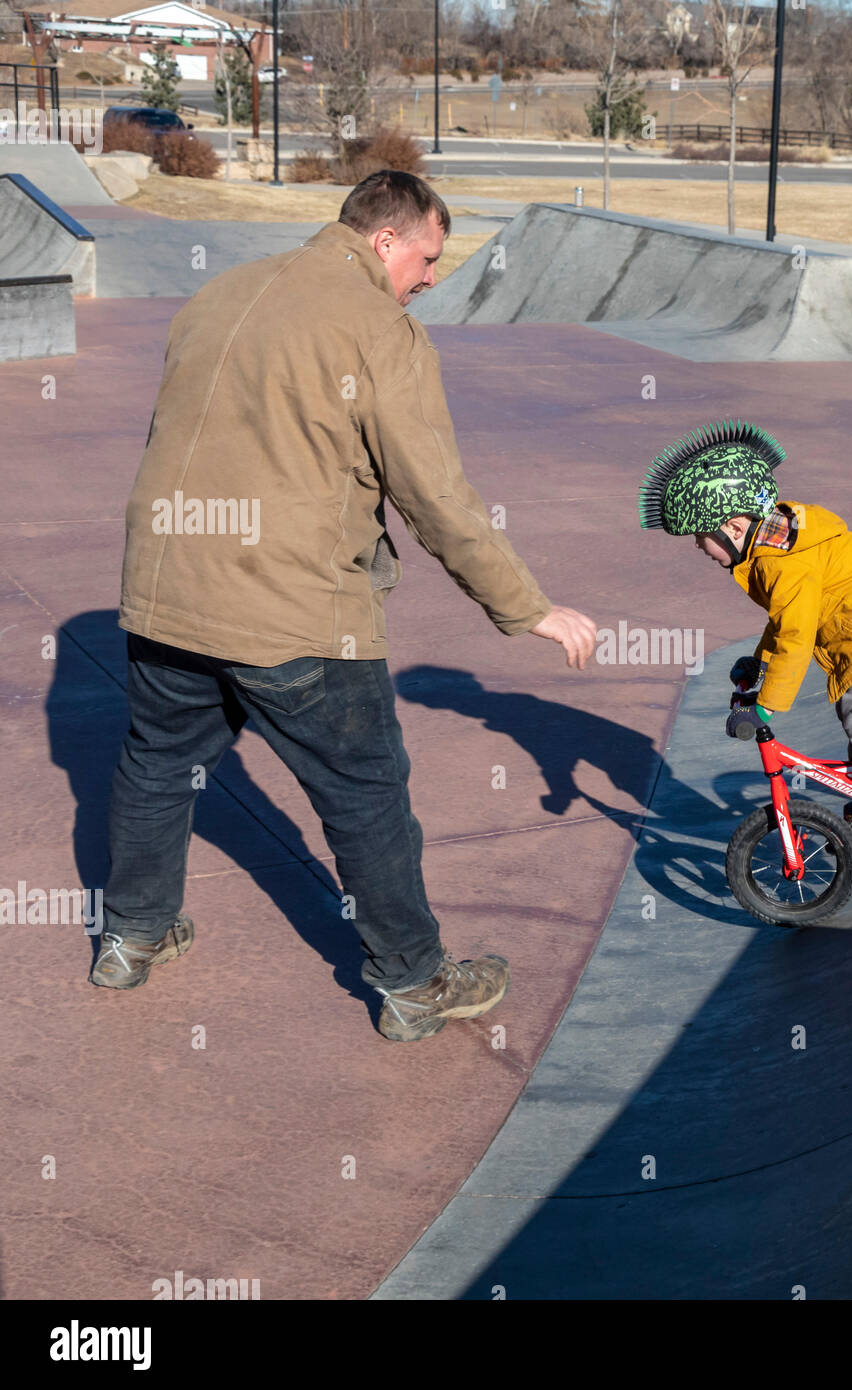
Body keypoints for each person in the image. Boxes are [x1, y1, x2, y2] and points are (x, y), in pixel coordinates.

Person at [94, 170, 596, 1042]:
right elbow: (433, 494)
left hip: (166, 592)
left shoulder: (223, 292)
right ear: (385, 240)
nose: (434, 279)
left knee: (157, 765)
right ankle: (413, 982)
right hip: (293, 609)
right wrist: (526, 608)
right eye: (430, 258)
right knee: (366, 795)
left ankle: (130, 938)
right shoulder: (379, 329)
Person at [637, 419, 852, 859]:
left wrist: (765, 705)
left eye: (701, 536)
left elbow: (797, 638)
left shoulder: (780, 564)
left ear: (734, 526)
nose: (699, 548)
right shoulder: (774, 545)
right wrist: (758, 666)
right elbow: (786, 622)